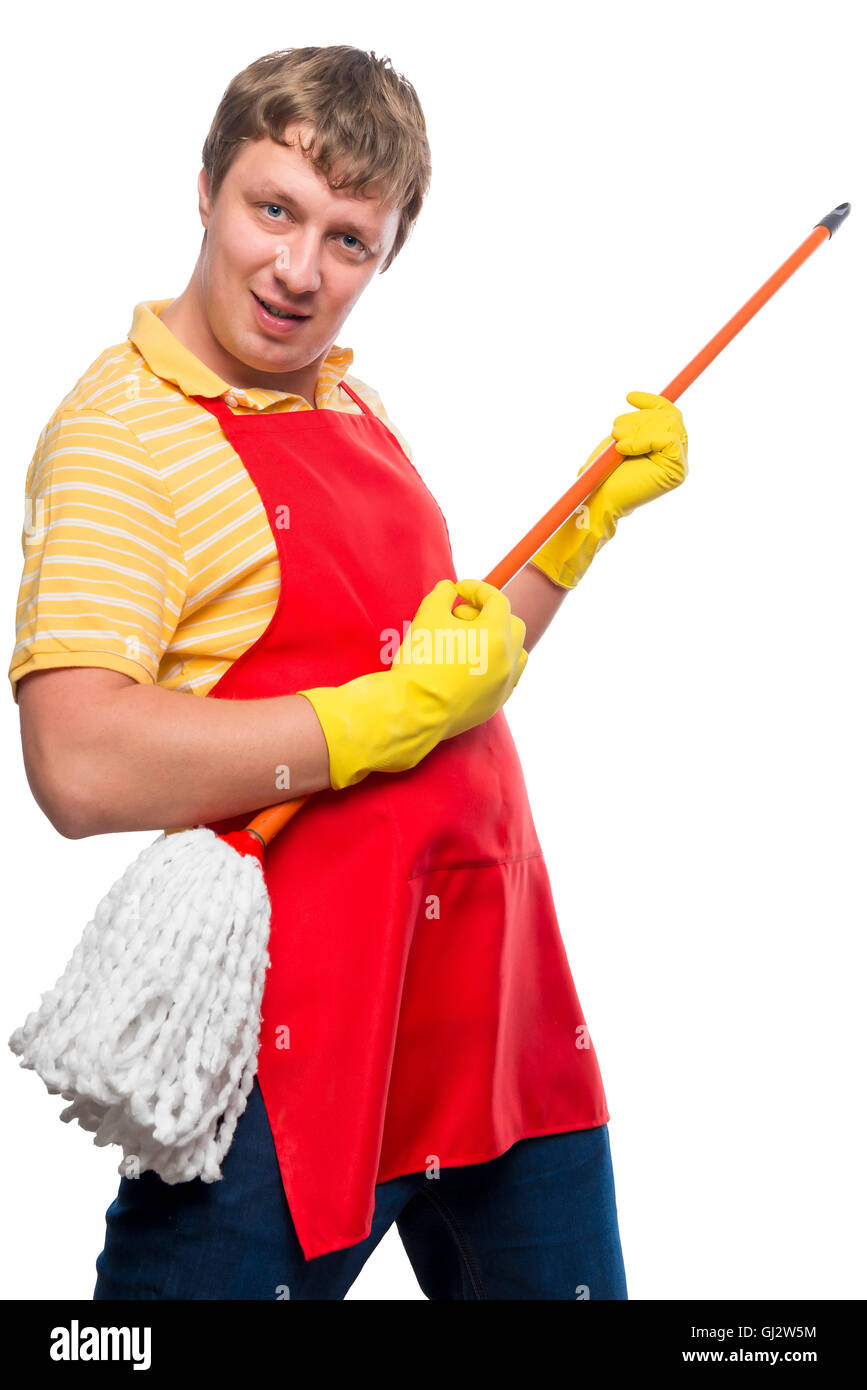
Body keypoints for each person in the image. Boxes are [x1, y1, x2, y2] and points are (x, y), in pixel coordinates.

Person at [9, 45, 687, 1300]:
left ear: (384, 255)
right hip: (293, 1043)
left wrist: (583, 526)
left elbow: (443, 683)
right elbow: (77, 760)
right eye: (274, 209)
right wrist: (375, 713)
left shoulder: (351, 402)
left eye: (349, 240)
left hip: (495, 1001)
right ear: (207, 187)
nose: (299, 270)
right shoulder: (120, 439)